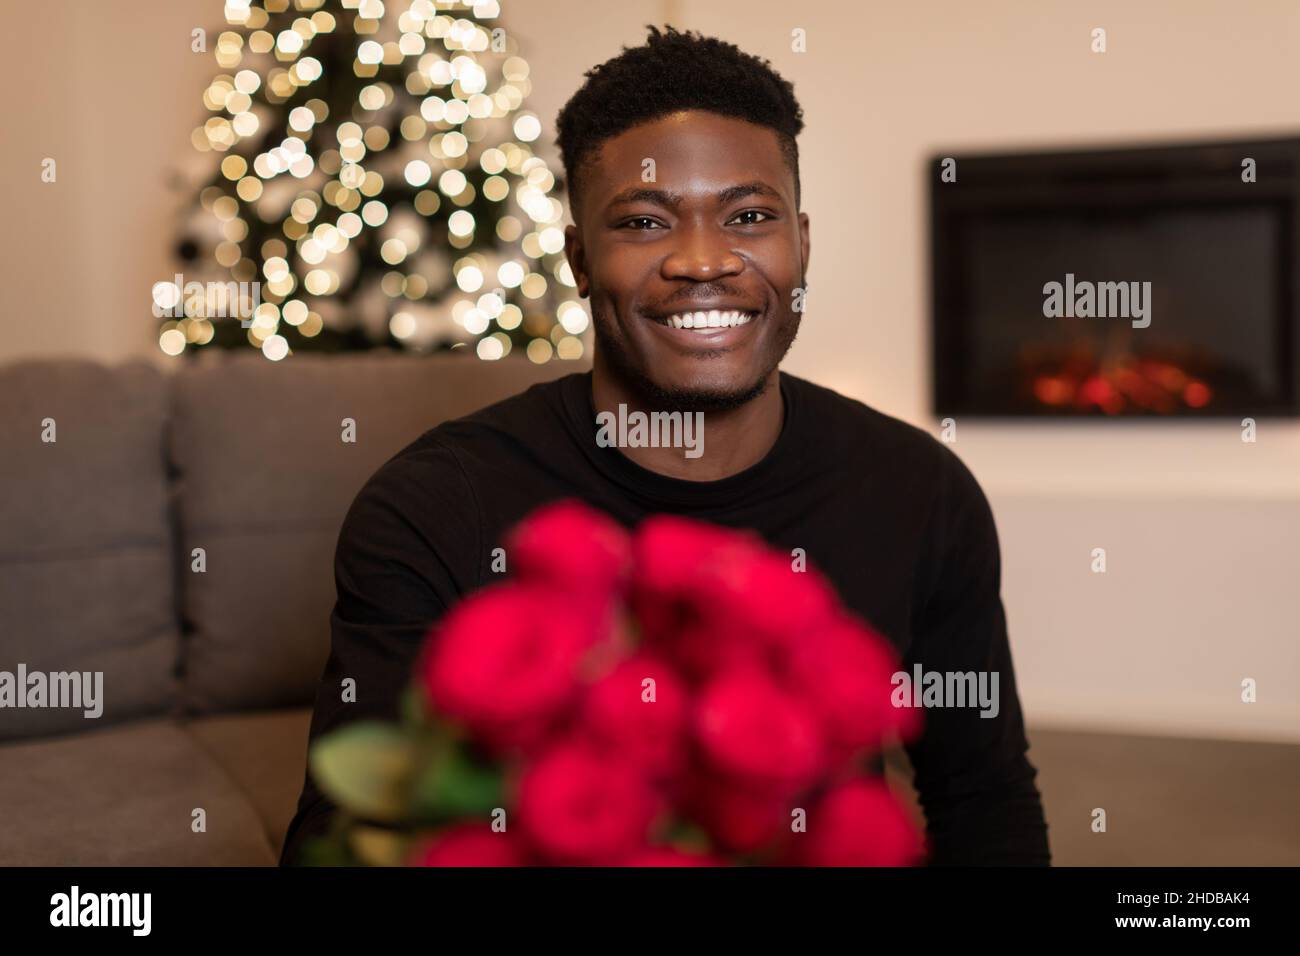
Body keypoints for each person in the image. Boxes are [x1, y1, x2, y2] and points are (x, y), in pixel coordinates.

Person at [281, 24, 1050, 866]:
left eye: (749, 217)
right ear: (579, 259)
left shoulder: (919, 491)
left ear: (802, 243)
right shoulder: (433, 505)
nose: (703, 260)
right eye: (645, 222)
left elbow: (983, 801)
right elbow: (347, 843)